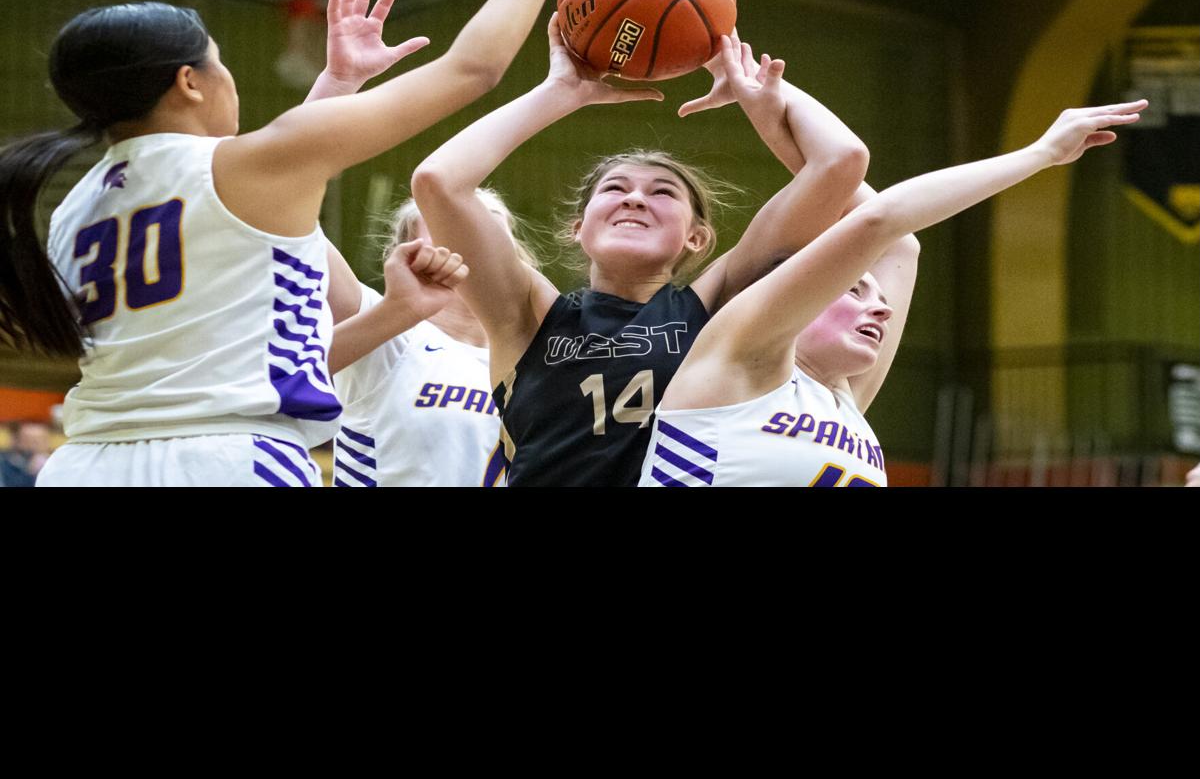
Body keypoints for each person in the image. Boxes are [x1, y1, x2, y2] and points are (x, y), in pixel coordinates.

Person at [0, 0, 551, 486]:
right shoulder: (241, 166)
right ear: (189, 81)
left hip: (86, 461)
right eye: (221, 62)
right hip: (223, 459)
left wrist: (339, 82)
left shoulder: (75, 205)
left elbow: (267, 200)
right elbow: (473, 69)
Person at [413, 25, 870, 486]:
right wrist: (557, 93)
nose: (634, 199)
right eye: (614, 188)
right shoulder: (528, 315)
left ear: (696, 238)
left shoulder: (715, 307)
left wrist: (748, 82)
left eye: (662, 192)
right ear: (579, 228)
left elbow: (840, 162)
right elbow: (439, 182)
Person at [639, 100, 1147, 487]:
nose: (881, 304)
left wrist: (770, 101)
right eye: (854, 289)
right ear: (791, 294)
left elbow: (900, 241)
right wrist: (1041, 154)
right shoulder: (739, 359)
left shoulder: (843, 398)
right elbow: (882, 220)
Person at [325, 193, 542, 487]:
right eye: (447, 221)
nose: (472, 228)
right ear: (407, 253)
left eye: (488, 220)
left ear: (517, 253)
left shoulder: (544, 361)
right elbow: (290, 222)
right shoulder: (384, 333)